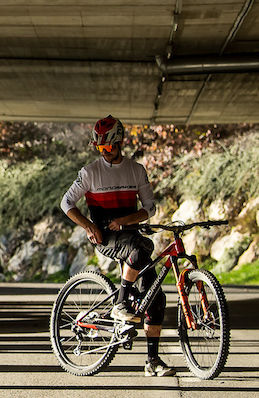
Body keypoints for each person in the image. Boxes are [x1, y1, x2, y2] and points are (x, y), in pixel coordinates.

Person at [60, 115, 175, 377]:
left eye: (109, 146)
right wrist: (88, 226)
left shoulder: (136, 170)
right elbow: (66, 203)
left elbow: (149, 208)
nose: (104, 151)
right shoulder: (89, 172)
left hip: (131, 235)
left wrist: (125, 220)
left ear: (120, 142)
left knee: (155, 298)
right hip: (106, 238)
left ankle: (152, 362)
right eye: (100, 147)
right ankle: (121, 304)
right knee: (141, 248)